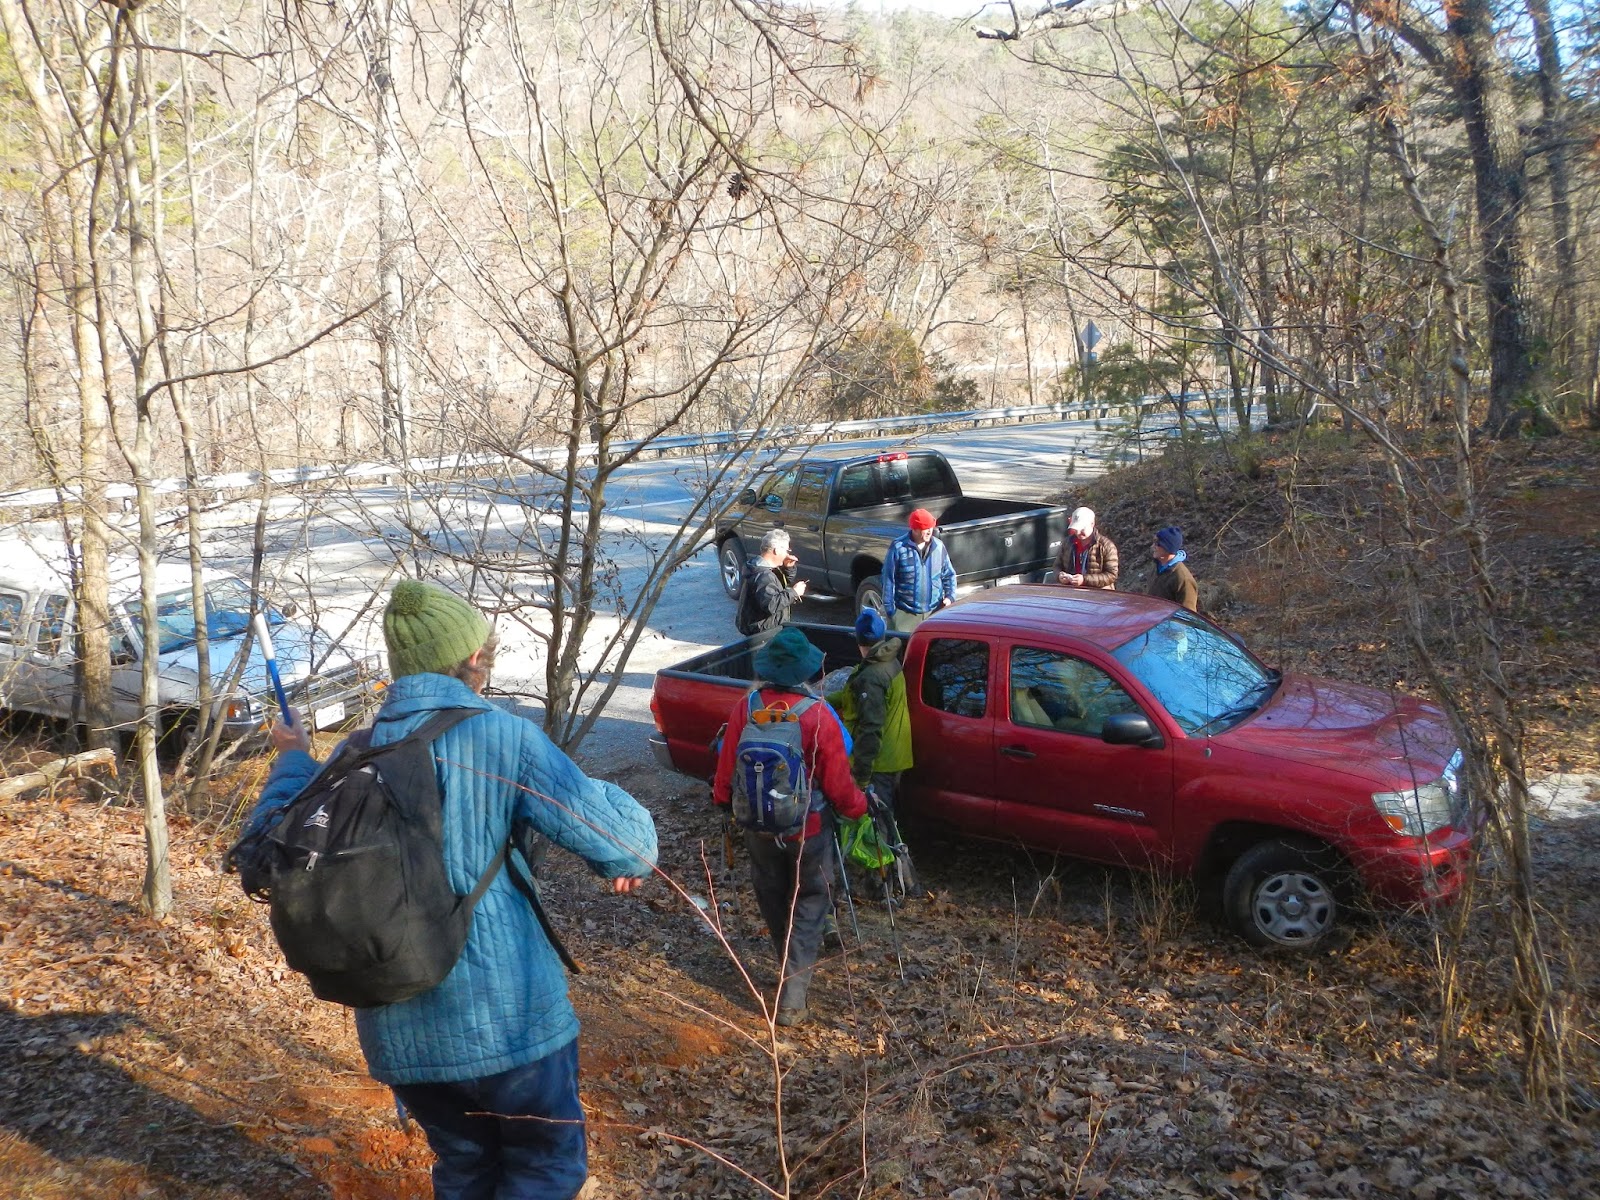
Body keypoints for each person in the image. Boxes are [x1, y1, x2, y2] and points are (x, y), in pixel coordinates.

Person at [246, 580, 658, 1200]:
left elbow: (262, 853)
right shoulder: (502, 736)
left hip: (399, 1028)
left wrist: (295, 759)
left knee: (465, 1172)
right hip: (511, 1020)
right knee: (544, 1171)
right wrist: (619, 833)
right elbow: (625, 844)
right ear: (473, 659)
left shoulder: (360, 749)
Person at [712, 627, 867, 1027]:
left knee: (773, 897)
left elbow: (726, 767)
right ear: (806, 672)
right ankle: (792, 999)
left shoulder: (746, 707)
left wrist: (723, 803)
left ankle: (785, 968)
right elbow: (837, 783)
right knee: (811, 902)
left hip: (757, 828)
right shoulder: (817, 715)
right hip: (808, 829)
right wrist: (858, 808)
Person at [880, 508, 955, 633]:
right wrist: (891, 611)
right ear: (914, 529)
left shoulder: (939, 547)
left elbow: (949, 575)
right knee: (903, 650)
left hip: (934, 612)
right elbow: (888, 579)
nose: (929, 531)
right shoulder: (898, 548)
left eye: (931, 527)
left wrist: (950, 597)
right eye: (925, 528)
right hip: (905, 614)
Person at [736, 529, 807, 635]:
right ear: (777, 550)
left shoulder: (758, 566)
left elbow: (778, 586)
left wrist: (788, 568)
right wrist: (794, 593)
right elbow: (771, 604)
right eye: (787, 550)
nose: (787, 554)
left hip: (760, 629)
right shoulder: (763, 575)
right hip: (764, 633)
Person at [1054, 507, 1119, 590]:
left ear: (1092, 523)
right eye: (1076, 528)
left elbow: (1111, 575)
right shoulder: (1067, 543)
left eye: (1082, 528)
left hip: (1098, 593)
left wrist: (1084, 580)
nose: (1078, 532)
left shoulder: (1106, 546)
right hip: (1070, 590)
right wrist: (1060, 575)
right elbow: (1057, 566)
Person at [1147, 525, 1199, 612]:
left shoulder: (1183, 579)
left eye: (1157, 543)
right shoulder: (1156, 567)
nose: (1153, 547)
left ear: (1167, 547)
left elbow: (1188, 615)